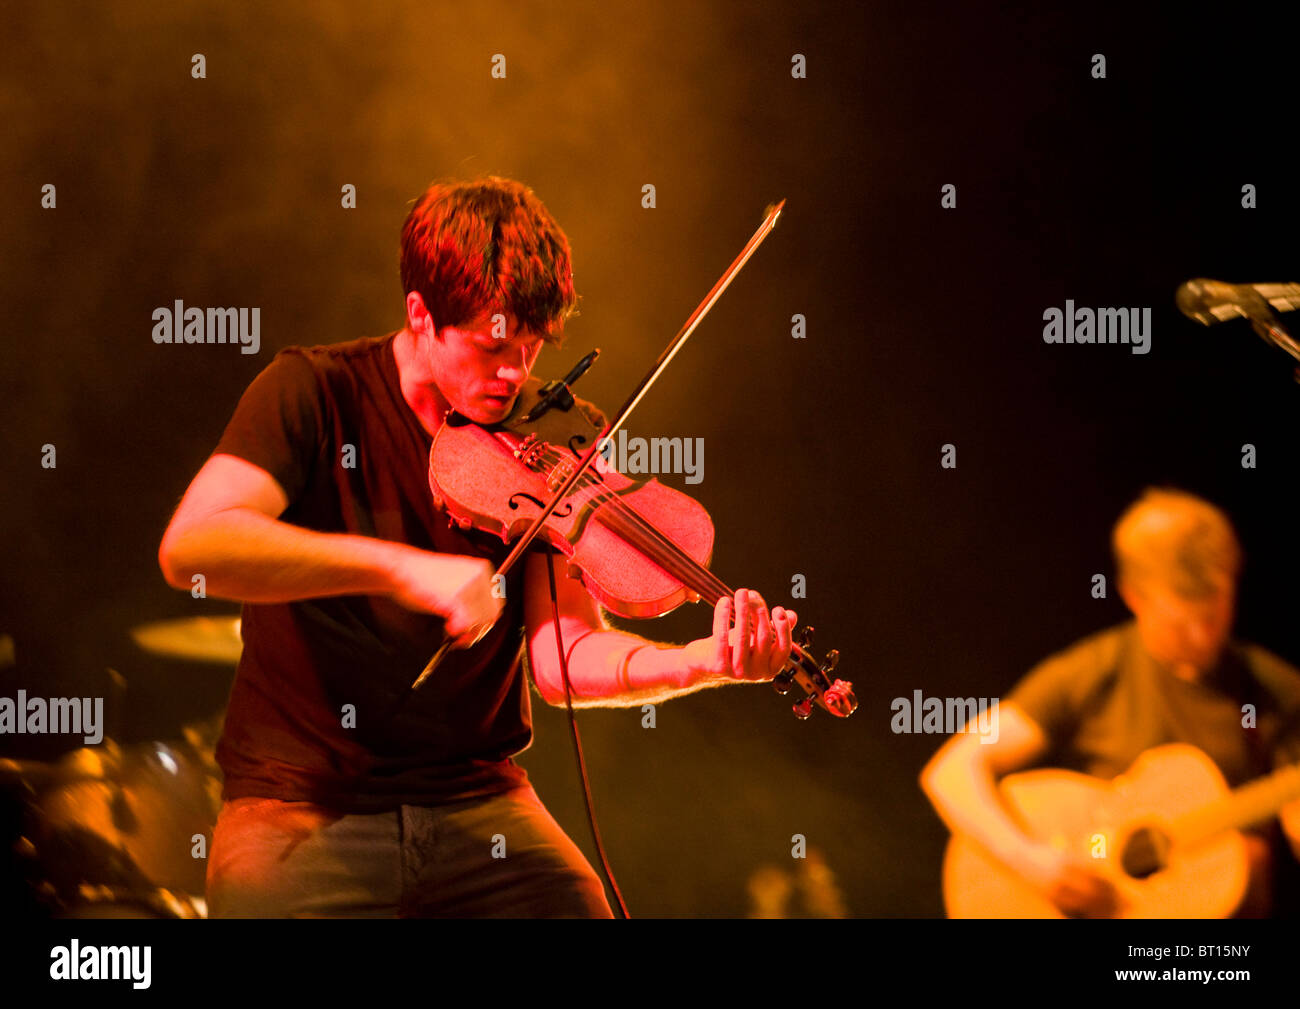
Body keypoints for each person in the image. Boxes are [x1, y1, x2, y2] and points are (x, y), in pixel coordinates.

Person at [157, 176, 797, 918]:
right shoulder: (311, 391)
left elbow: (564, 657)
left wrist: (701, 663)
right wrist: (403, 568)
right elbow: (193, 546)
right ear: (421, 314)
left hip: (478, 804)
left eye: (530, 348)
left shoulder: (551, 434)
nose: (514, 376)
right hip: (299, 804)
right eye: (493, 347)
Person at [920, 488, 1300, 917]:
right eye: (1180, 623)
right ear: (1133, 596)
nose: (1201, 637)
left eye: (1213, 615)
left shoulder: (1276, 689)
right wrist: (1034, 864)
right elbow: (952, 771)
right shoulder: (1093, 672)